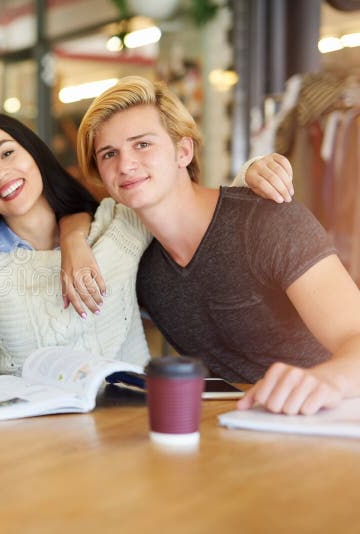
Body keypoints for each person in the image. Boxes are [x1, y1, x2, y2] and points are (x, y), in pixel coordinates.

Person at [77, 75, 360, 415]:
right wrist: (71, 238)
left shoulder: (267, 222)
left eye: (142, 144)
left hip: (333, 418)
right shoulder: (139, 262)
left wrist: (327, 381)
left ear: (183, 151)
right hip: (238, 427)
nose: (125, 165)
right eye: (109, 154)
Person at [0, 112, 288, 382]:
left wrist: (252, 174)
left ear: (35, 155)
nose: (0, 172)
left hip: (129, 428)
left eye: (8, 152)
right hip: (29, 444)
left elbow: (197, 216)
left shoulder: (118, 225)